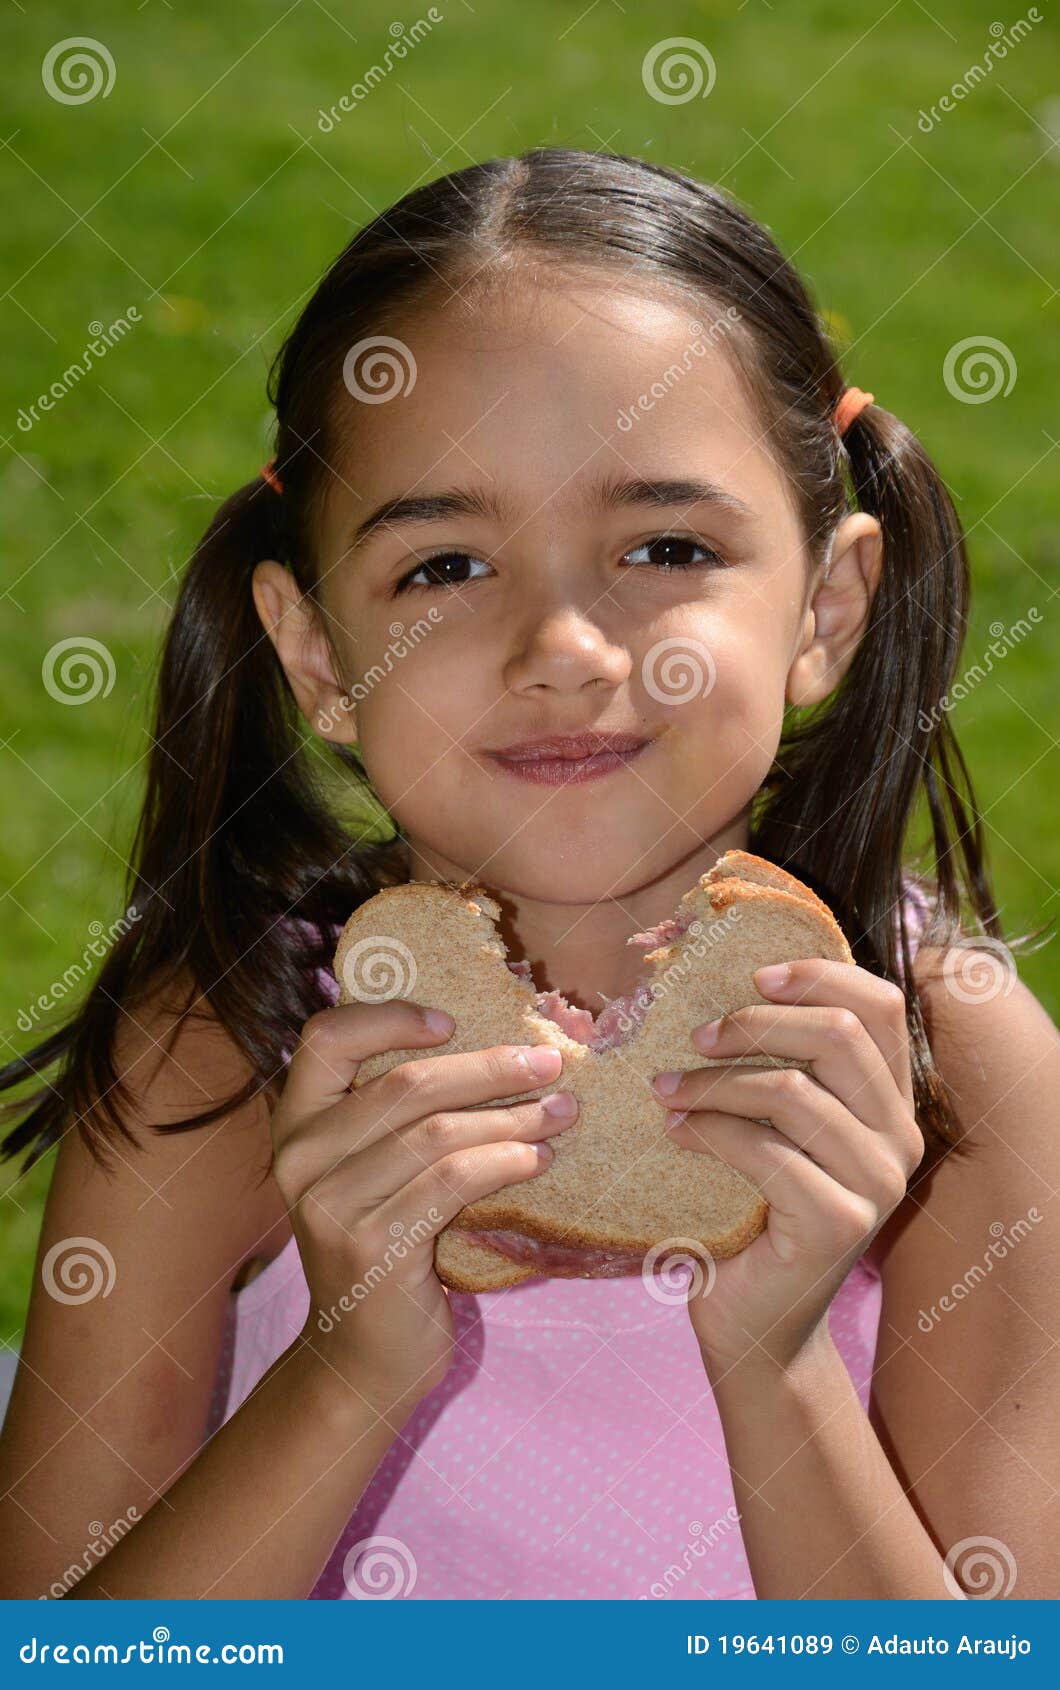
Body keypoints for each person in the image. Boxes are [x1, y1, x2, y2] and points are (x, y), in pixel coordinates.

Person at [0, 148, 1055, 1601]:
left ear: (825, 604)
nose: (563, 646)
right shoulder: (226, 1052)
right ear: (318, 654)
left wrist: (779, 1360)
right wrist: (348, 1365)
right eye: (445, 567)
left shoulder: (958, 1071)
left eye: (665, 544)